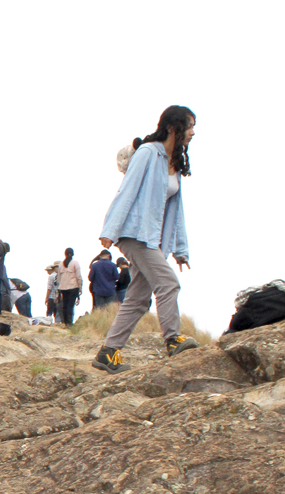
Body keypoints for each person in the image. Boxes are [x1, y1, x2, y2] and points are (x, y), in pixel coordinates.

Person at [92, 105, 198, 373]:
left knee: (138, 299)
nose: (193, 132)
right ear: (174, 127)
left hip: (154, 239)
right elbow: (127, 190)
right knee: (168, 284)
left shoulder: (173, 162)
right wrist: (111, 229)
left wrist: (180, 249)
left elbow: (176, 210)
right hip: (134, 233)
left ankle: (108, 353)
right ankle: (173, 340)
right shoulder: (149, 152)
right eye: (190, 126)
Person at [56, 247, 83, 325]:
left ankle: (65, 322)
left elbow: (59, 278)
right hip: (73, 287)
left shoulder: (61, 264)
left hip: (63, 287)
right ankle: (69, 322)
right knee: (70, 306)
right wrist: (80, 287)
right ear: (73, 254)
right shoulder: (75, 263)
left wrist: (59, 289)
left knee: (65, 305)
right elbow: (78, 276)